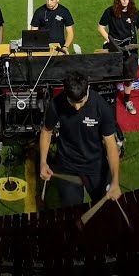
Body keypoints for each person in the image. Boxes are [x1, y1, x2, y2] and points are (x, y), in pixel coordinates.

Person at [39, 72, 122, 207]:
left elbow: (111, 145)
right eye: (72, 102)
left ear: (88, 89)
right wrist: (43, 162)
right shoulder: (56, 104)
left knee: (106, 210)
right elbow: (46, 131)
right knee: (72, 214)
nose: (77, 107)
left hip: (95, 166)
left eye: (81, 102)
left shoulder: (102, 108)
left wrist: (115, 181)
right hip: (68, 166)